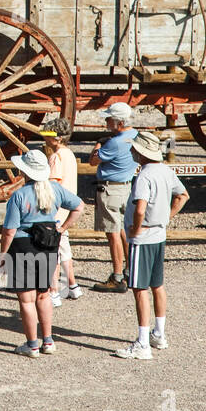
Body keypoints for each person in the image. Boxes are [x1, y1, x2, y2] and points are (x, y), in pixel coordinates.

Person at [0, 149, 83, 358]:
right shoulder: (55, 189)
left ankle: (32, 344)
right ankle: (48, 340)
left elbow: (10, 229)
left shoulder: (19, 195)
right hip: (48, 244)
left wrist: (2, 253)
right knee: (44, 294)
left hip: (22, 244)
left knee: (27, 300)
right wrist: (63, 228)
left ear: (25, 171)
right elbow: (79, 206)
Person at [114, 132, 189, 360]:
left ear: (141, 152)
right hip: (159, 233)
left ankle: (143, 343)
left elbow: (139, 208)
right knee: (158, 285)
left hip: (143, 236)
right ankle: (159, 334)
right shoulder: (166, 170)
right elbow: (183, 196)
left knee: (139, 289)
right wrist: (167, 217)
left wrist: (135, 229)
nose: (131, 151)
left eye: (134, 149)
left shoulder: (144, 176)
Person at [89, 102, 138, 293]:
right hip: (126, 188)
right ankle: (129, 270)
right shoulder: (134, 136)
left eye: (109, 119)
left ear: (119, 122)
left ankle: (117, 277)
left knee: (112, 233)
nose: (106, 122)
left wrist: (98, 144)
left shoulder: (114, 143)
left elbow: (93, 160)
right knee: (124, 231)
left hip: (110, 191)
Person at [42, 116, 84, 305]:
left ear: (57, 137)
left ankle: (54, 291)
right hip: (68, 207)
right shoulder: (69, 155)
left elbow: (54, 183)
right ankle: (73, 286)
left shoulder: (56, 156)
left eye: (48, 135)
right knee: (64, 249)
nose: (45, 138)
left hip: (56, 210)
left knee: (52, 252)